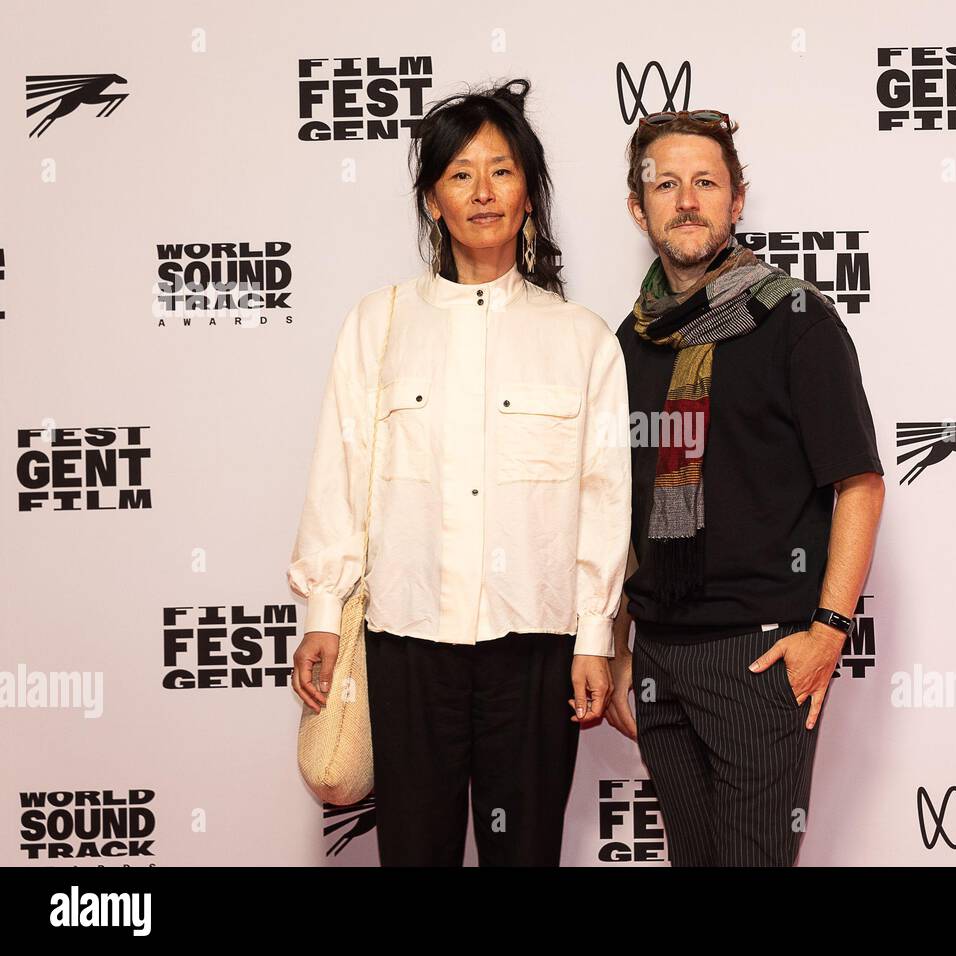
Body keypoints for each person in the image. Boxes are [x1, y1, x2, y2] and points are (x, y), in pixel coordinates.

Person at [287, 78, 631, 866]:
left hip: (537, 650)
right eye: (461, 174)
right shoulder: (379, 324)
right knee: (415, 854)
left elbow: (605, 499)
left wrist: (593, 634)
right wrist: (319, 612)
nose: (483, 192)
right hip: (407, 644)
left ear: (529, 196)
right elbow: (340, 472)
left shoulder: (581, 341)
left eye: (502, 171)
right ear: (433, 200)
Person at [603, 109, 886, 866]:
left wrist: (828, 630)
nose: (686, 200)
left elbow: (859, 483)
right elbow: (626, 507)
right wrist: (626, 646)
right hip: (662, 654)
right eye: (666, 185)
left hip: (761, 656)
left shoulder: (795, 319)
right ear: (640, 207)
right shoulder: (629, 341)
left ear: (737, 200)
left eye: (705, 182)